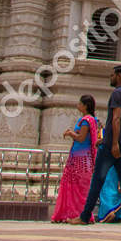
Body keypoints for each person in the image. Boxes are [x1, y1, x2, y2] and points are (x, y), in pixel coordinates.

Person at [79, 65, 121, 225]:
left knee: (98, 179)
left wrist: (113, 142)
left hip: (113, 145)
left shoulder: (117, 94)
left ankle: (84, 216)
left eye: (113, 74)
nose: (111, 77)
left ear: (120, 76)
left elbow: (116, 118)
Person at [51, 94, 102, 223]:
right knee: (79, 187)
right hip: (82, 157)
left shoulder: (85, 121)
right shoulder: (92, 120)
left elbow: (81, 138)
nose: (78, 105)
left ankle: (76, 213)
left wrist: (70, 134)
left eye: (80, 103)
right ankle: (77, 213)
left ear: (85, 106)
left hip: (80, 159)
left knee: (77, 187)